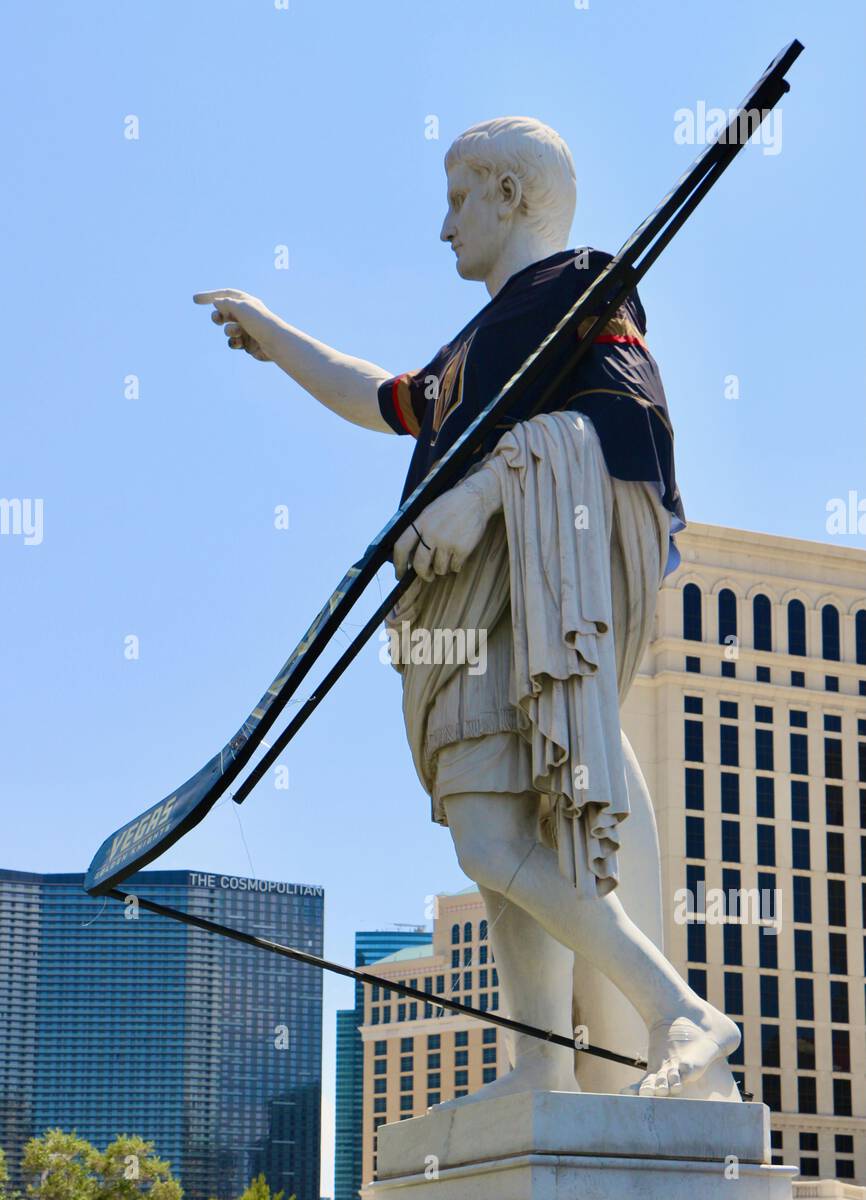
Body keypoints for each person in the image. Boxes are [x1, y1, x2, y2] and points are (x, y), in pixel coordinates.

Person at [193, 116, 740, 1103]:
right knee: (500, 821)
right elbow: (384, 398)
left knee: (492, 835)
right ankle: (541, 1063)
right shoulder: (476, 344)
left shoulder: (582, 285)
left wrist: (485, 491)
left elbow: (623, 422)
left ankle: (679, 1013)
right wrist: (275, 340)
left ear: (510, 195)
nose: (443, 225)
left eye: (457, 198)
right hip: (467, 587)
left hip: (523, 581)